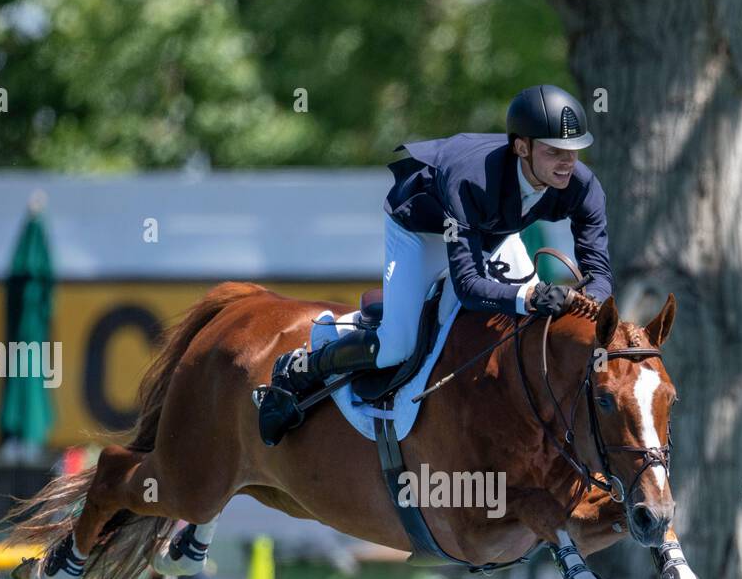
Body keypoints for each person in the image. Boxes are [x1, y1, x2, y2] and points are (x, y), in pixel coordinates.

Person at [257, 83, 615, 445]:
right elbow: (469, 287)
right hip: (423, 230)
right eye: (555, 152)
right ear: (522, 147)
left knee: (532, 330)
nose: (568, 163)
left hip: (494, 231)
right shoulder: (470, 178)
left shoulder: (582, 186)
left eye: (573, 151)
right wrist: (531, 295)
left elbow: (599, 272)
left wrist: (590, 305)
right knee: (397, 344)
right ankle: (300, 372)